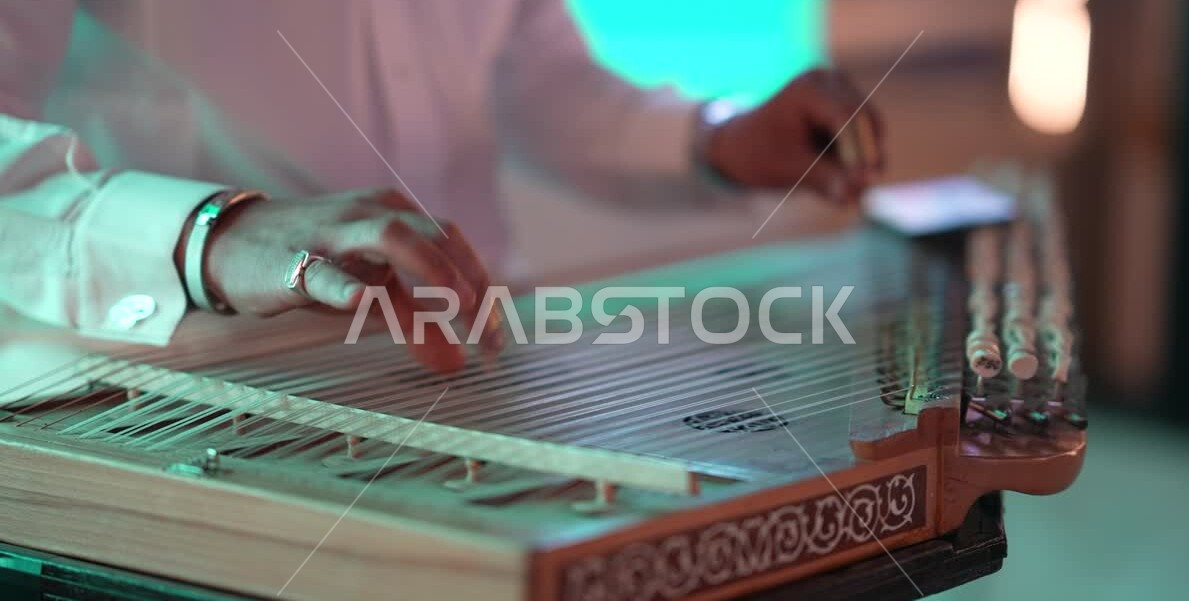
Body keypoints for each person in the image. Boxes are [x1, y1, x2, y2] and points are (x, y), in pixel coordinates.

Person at [0, 1, 884, 373]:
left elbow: (525, 67)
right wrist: (209, 237)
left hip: (480, 351)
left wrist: (716, 138)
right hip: (196, 384)